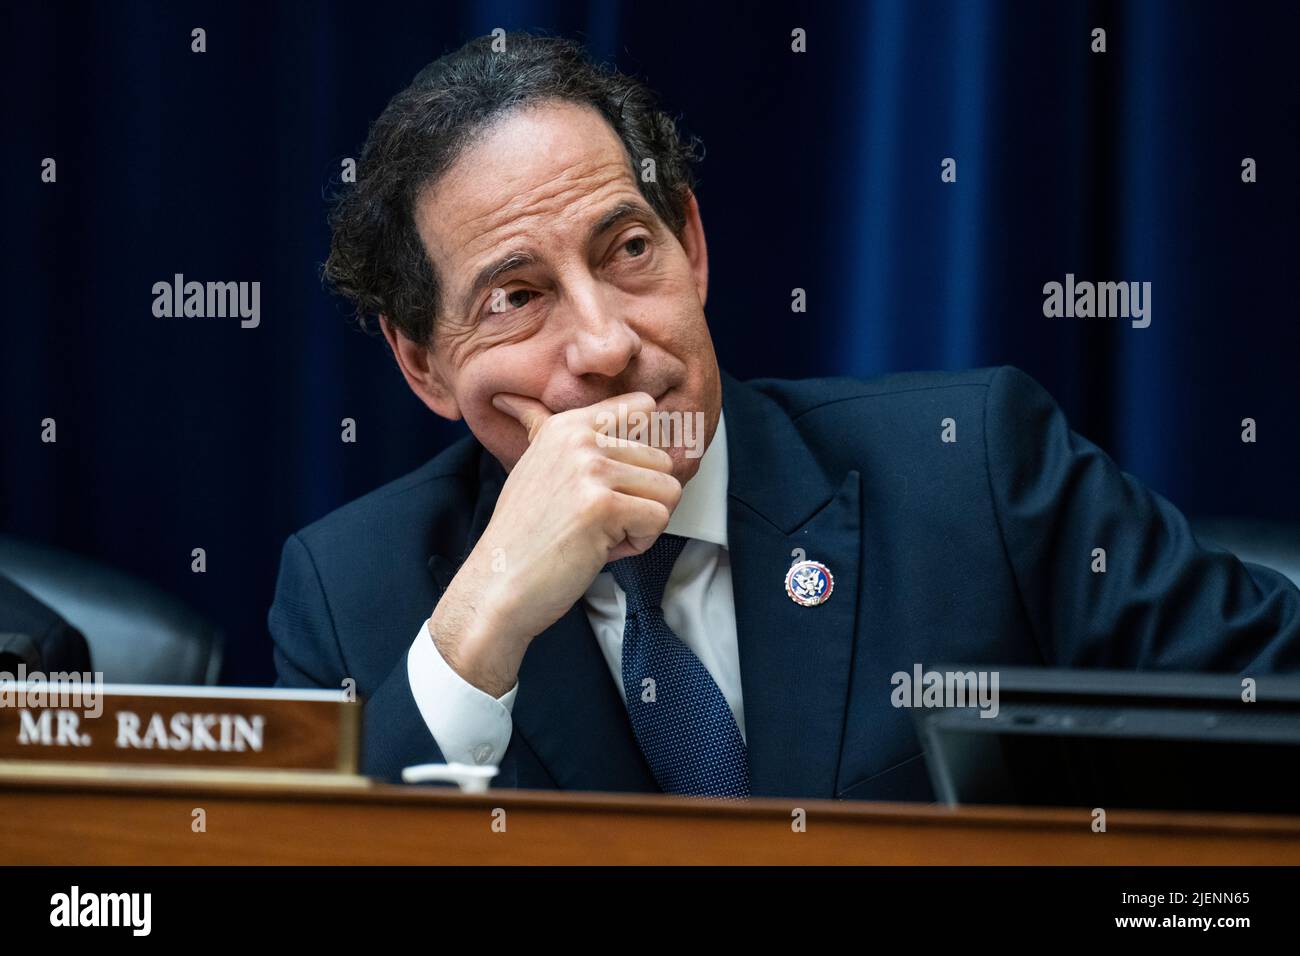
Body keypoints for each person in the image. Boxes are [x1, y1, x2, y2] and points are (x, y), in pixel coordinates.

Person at [269, 32, 1300, 799]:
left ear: (692, 246)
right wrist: (481, 619)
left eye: (628, 249)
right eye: (517, 297)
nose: (606, 343)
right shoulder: (352, 594)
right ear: (423, 364)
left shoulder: (975, 468)